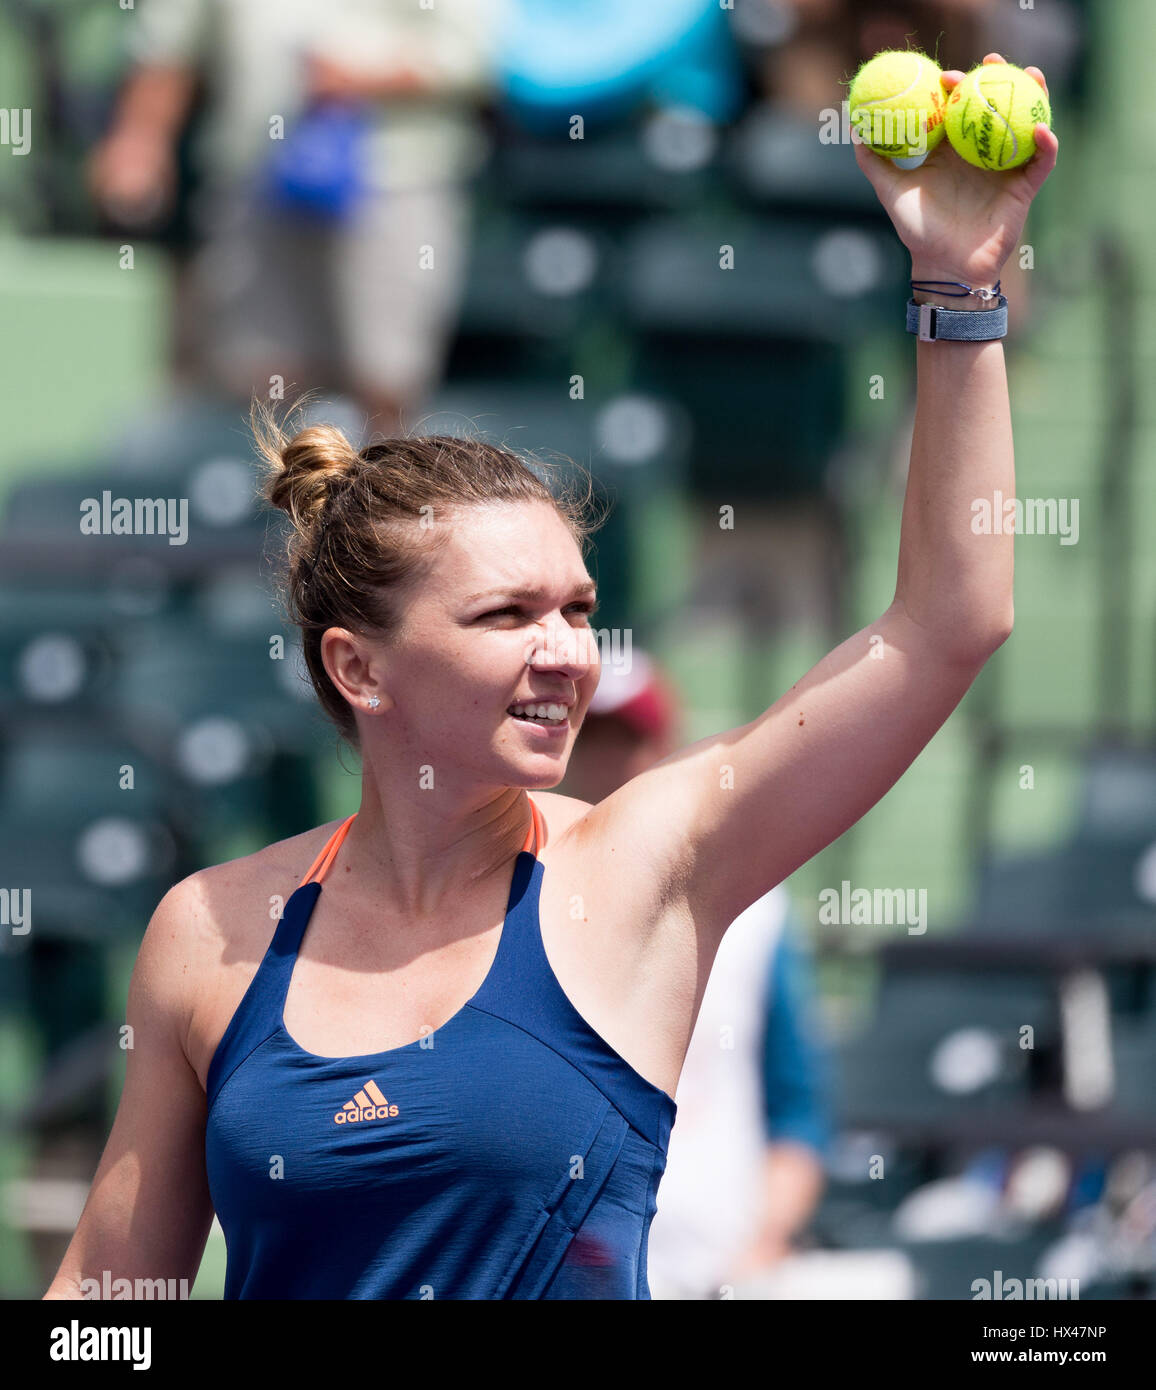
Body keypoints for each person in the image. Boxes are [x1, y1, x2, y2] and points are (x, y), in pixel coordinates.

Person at [44, 54, 1057, 1300]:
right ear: (358, 668)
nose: (568, 650)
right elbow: (111, 1296)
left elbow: (951, 619)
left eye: (579, 607)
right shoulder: (207, 932)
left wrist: (958, 286)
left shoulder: (649, 868)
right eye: (507, 613)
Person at [88, 0, 505, 437]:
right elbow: (168, 46)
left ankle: (385, 501)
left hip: (398, 178)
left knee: (385, 387)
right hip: (253, 178)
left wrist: (360, 77)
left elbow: (475, 51)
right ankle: (274, 501)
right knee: (260, 383)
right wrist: (139, 139)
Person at [560, 653, 832, 1300]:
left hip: (713, 1273)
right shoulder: (506, 900)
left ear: (663, 749)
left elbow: (798, 1109)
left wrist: (765, 1243)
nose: (605, 764)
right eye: (587, 740)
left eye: (624, 740)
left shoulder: (755, 913)